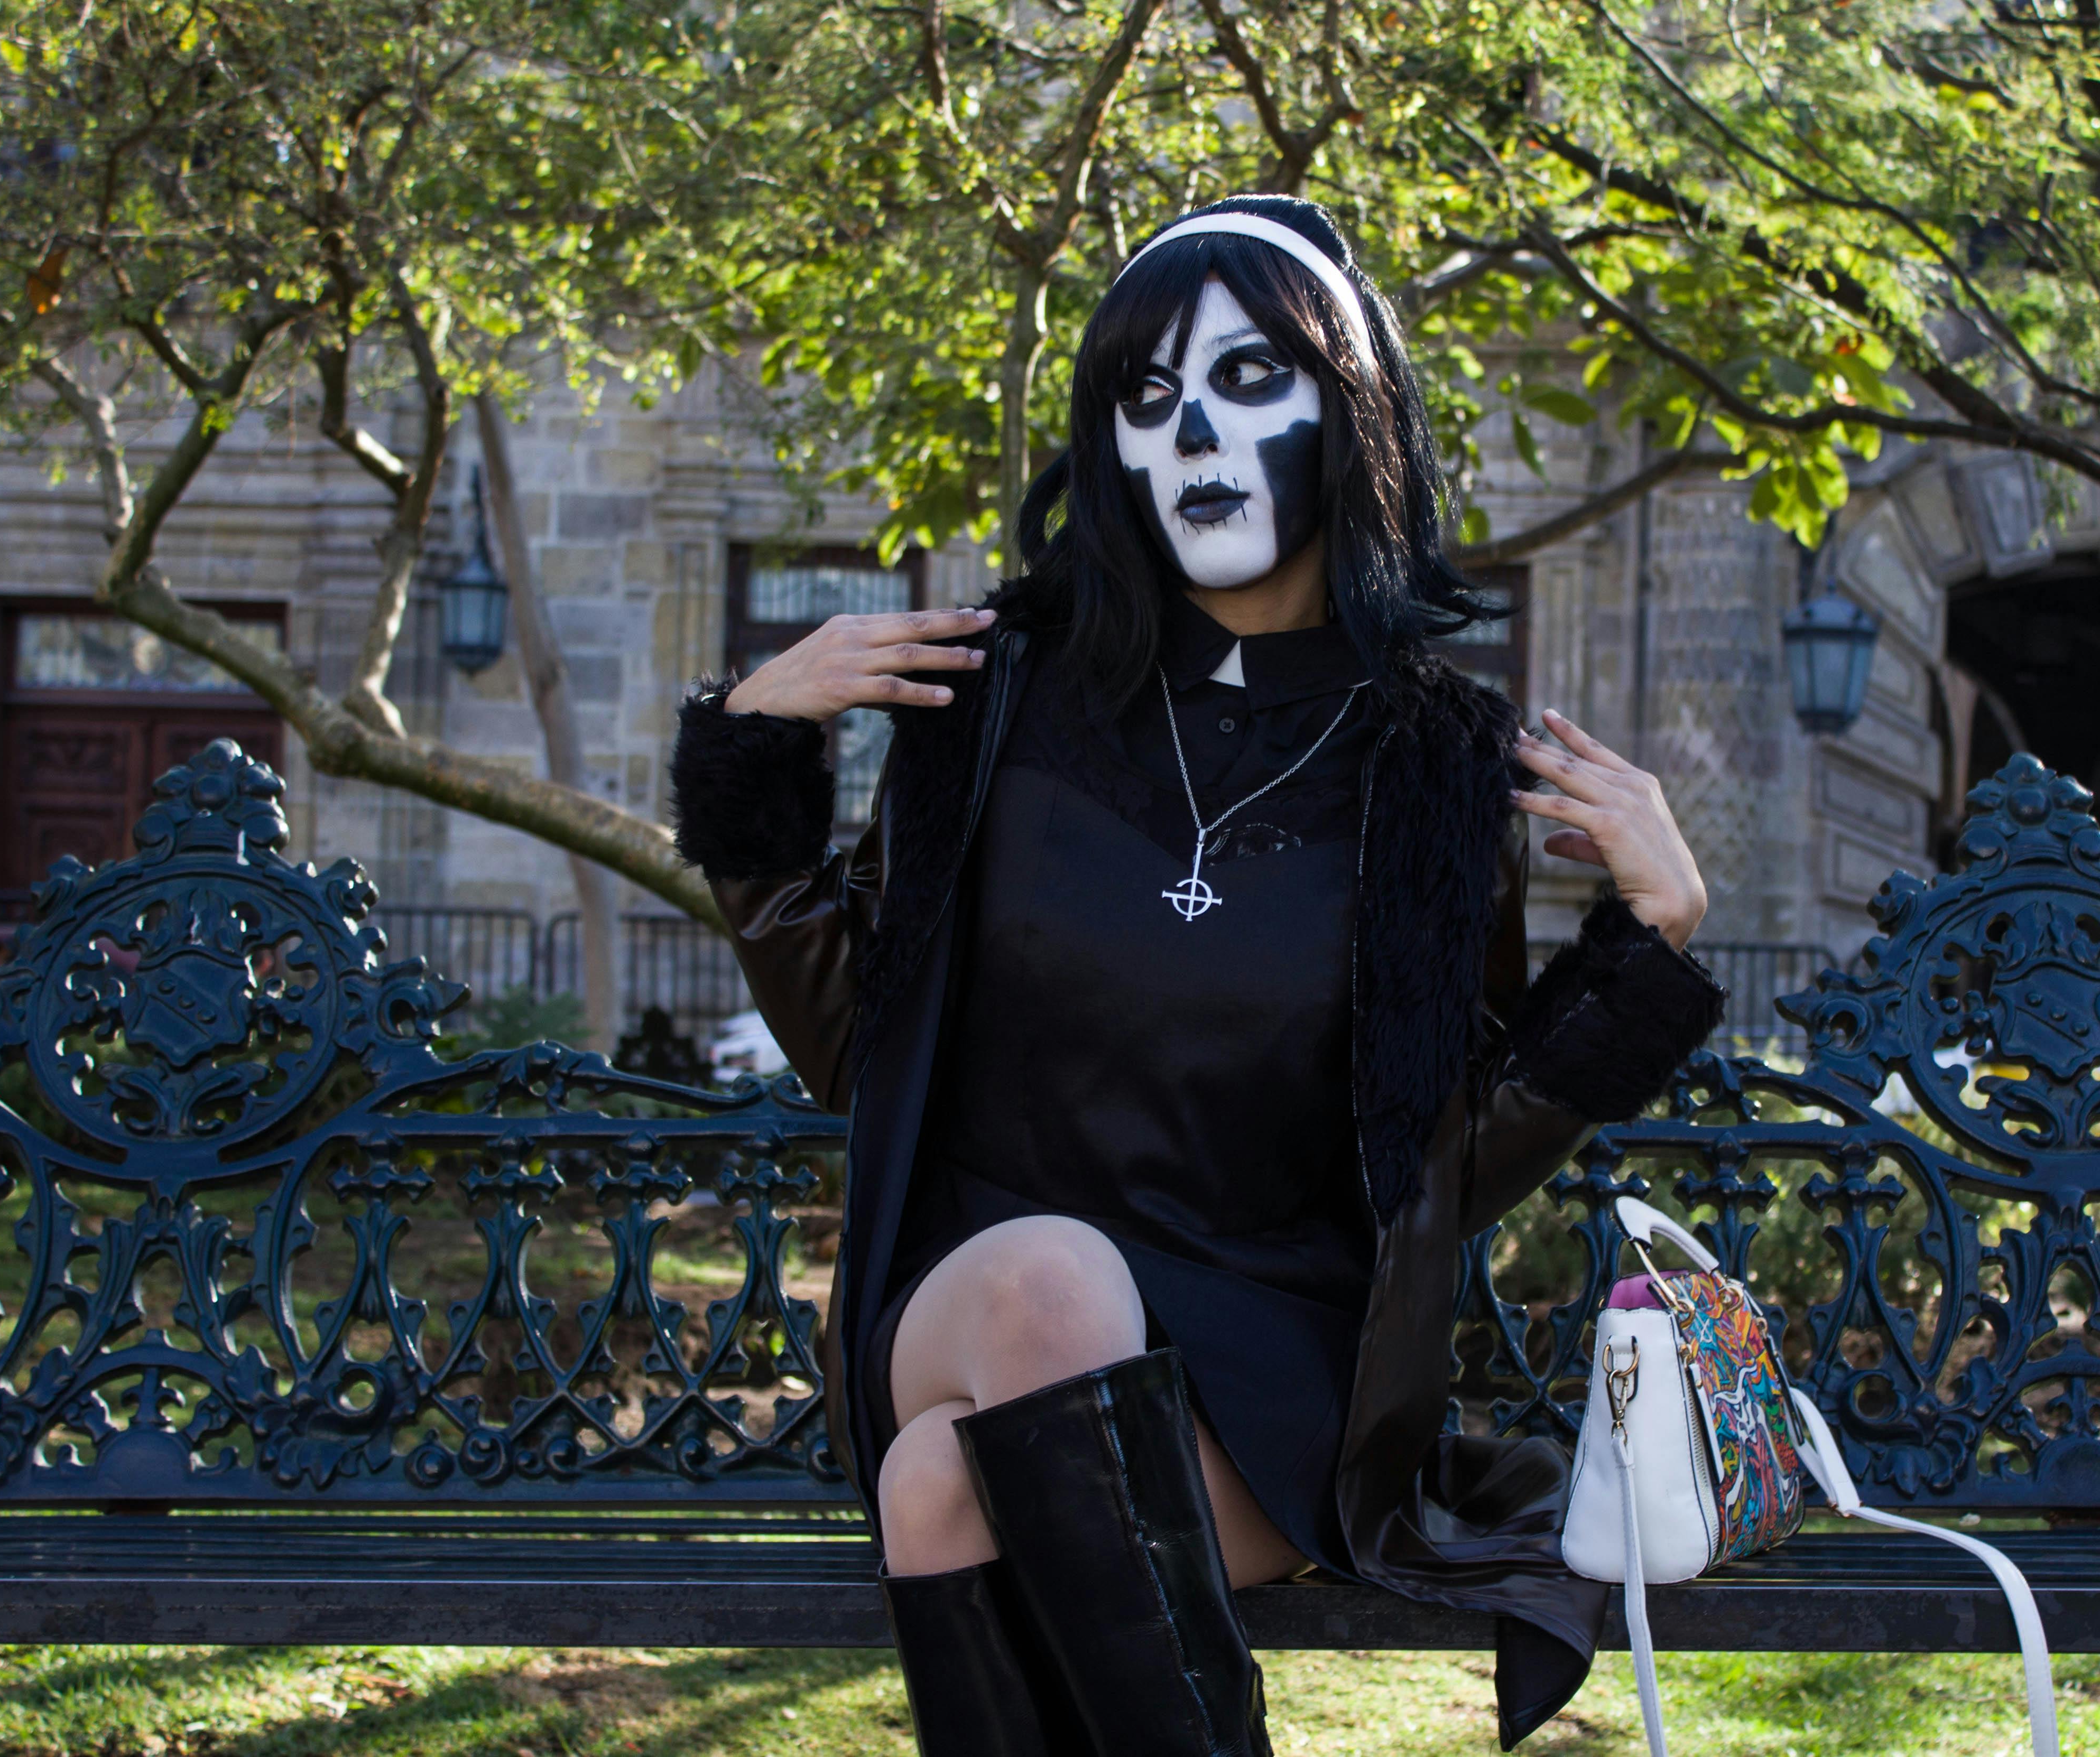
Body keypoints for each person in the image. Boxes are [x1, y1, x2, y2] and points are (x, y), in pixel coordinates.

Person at [668, 196, 1726, 1755]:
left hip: (1258, 1374)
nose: (1192, 440)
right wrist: (756, 773)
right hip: (970, 1297)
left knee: (941, 1484)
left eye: (1246, 383)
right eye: (1145, 397)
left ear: (1346, 413)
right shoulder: (992, 699)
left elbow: (1425, 1161)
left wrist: (1648, 944)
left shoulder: (1433, 763)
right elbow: (861, 1056)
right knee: (1049, 1282)